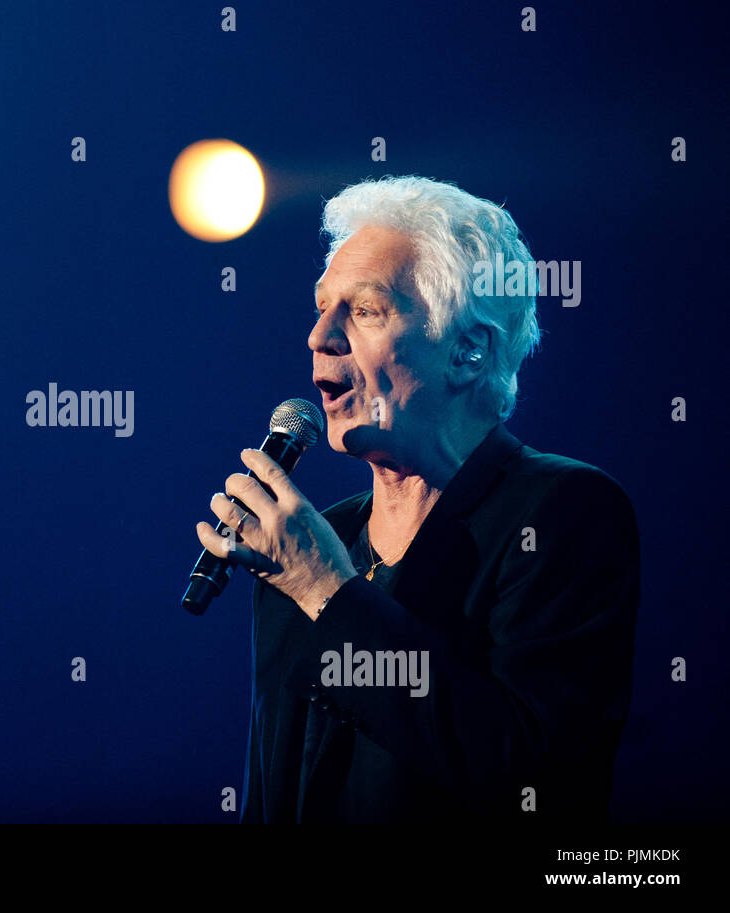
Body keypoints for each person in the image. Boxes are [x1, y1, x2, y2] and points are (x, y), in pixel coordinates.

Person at [194, 176, 639, 822]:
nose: (319, 336)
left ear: (466, 351)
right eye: (321, 307)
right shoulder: (315, 541)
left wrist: (327, 590)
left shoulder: (564, 514)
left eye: (365, 310)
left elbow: (533, 781)